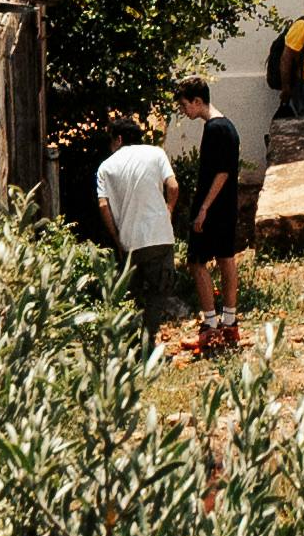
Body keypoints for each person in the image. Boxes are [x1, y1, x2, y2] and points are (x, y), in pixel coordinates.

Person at [89, 114, 181, 341]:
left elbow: (103, 206)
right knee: (159, 291)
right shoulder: (156, 153)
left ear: (118, 139)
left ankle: (133, 342)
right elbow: (173, 185)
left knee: (134, 293)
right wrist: (168, 211)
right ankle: (149, 338)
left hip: (130, 241)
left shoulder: (105, 168)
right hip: (159, 236)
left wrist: (117, 237)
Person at [182, 101, 251, 351]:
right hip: (226, 204)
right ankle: (229, 323)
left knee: (197, 261)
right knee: (225, 257)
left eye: (184, 104)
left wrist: (203, 208)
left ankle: (210, 325)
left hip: (212, 206)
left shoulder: (215, 128)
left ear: (197, 101)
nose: (183, 111)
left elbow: (221, 172)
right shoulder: (228, 126)